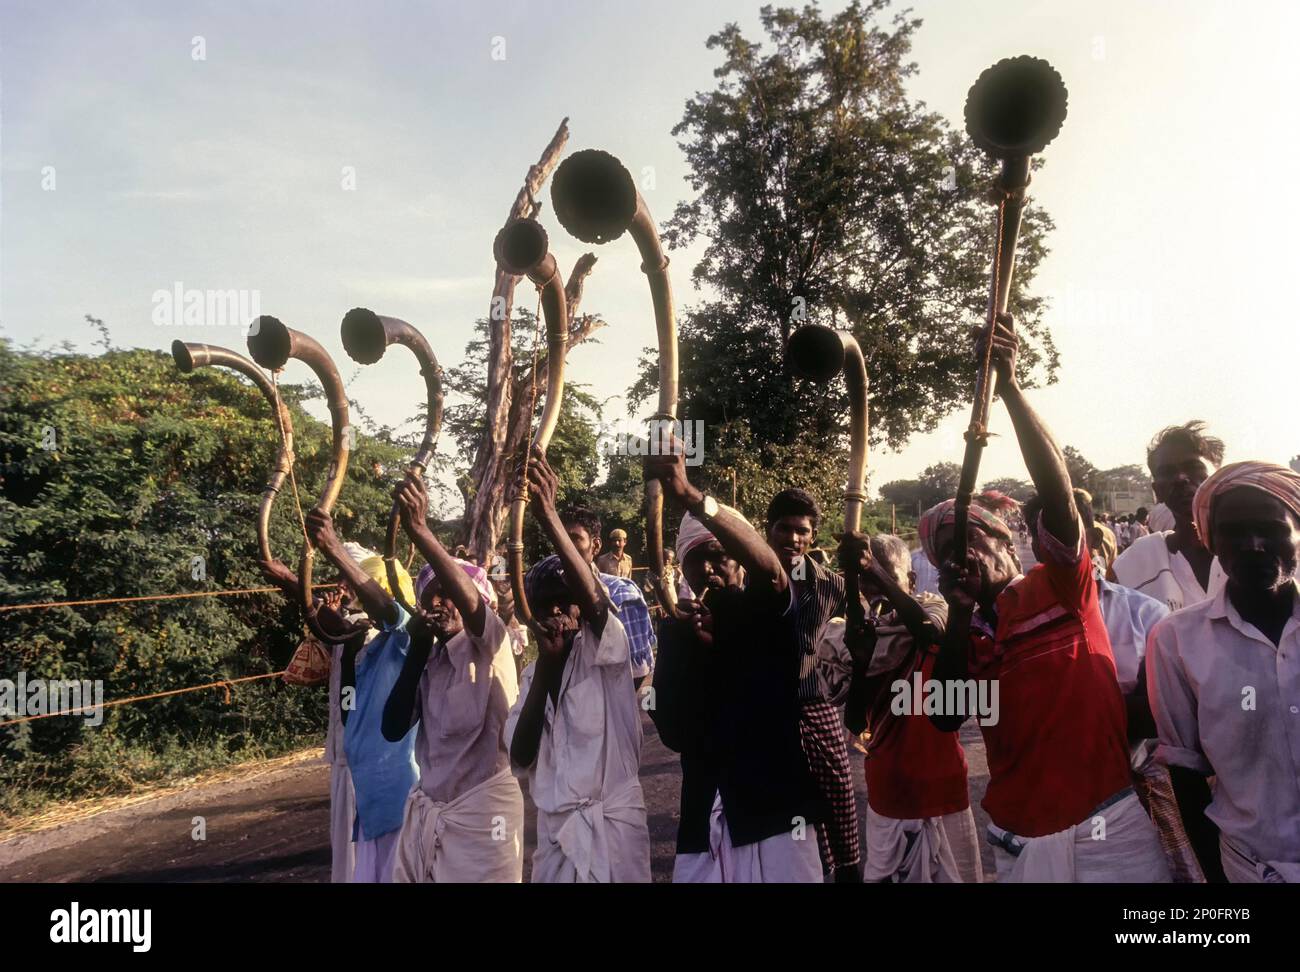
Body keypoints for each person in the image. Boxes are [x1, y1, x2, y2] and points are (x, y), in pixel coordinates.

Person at [927, 313, 1169, 882]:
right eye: (945, 551)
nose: (961, 554)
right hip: (1018, 837)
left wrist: (1009, 388)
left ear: (1010, 543)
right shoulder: (960, 634)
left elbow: (1058, 497)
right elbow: (945, 717)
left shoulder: (1061, 584)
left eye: (971, 538)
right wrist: (959, 616)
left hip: (1110, 824)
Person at [647, 466, 823, 883]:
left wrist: (691, 497)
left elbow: (774, 573)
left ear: (741, 563)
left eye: (719, 556)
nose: (709, 569)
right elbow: (672, 733)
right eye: (697, 559)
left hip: (779, 809)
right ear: (683, 570)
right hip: (707, 812)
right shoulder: (677, 630)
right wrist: (682, 646)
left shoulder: (768, 606)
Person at [1146, 461, 1300, 883]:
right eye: (1233, 530)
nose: (1253, 544)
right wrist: (1214, 879)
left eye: (1272, 529)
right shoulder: (1176, 640)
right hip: (1249, 866)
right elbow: (1185, 771)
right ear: (1211, 539)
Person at [505, 450, 651, 882]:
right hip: (556, 837)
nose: (557, 615)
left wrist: (546, 512)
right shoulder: (533, 675)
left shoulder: (609, 653)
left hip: (611, 833)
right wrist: (547, 668)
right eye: (545, 607)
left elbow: (593, 600)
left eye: (564, 604)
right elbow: (519, 754)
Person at [378, 473, 524, 882]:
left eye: (448, 594)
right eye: (430, 598)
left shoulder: (492, 644)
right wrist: (418, 650)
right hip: (429, 816)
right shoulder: (429, 659)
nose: (439, 603)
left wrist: (420, 531)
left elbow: (474, 603)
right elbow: (392, 729)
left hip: (483, 820)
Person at [824, 533, 982, 882]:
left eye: (884, 576)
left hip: (946, 791)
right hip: (889, 793)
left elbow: (929, 633)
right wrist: (862, 662)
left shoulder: (935, 610)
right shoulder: (848, 636)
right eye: (865, 581)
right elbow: (854, 721)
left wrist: (871, 569)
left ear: (909, 581)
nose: (873, 589)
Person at [305, 512, 421, 883]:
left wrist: (333, 548)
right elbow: (347, 710)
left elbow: (389, 610)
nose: (348, 592)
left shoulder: (404, 635)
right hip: (363, 787)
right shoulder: (360, 637)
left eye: (356, 586)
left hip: (395, 790)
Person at [766, 486, 861, 881]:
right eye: (784, 529)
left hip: (814, 701)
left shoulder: (831, 585)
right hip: (766, 708)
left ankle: (848, 869)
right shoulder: (750, 579)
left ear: (813, 535)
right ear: (767, 530)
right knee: (786, 806)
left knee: (838, 791)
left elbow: (861, 633)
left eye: (802, 531)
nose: (793, 538)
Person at [260, 555, 367, 884]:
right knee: (346, 852)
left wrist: (290, 580)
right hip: (343, 758)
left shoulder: (376, 627)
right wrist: (326, 619)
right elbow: (335, 632)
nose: (341, 585)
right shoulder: (347, 621)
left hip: (363, 763)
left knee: (360, 855)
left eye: (350, 578)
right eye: (341, 577)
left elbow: (350, 633)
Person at [1113, 422, 1227, 612]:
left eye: (1193, 467)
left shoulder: (1254, 550)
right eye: (1167, 472)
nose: (1180, 478)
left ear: (1219, 476)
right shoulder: (1133, 563)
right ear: (1157, 490)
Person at [559, 507, 657, 686]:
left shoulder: (625, 587)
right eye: (559, 539)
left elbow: (637, 672)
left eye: (574, 539)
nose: (564, 546)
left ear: (595, 545)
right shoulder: (552, 585)